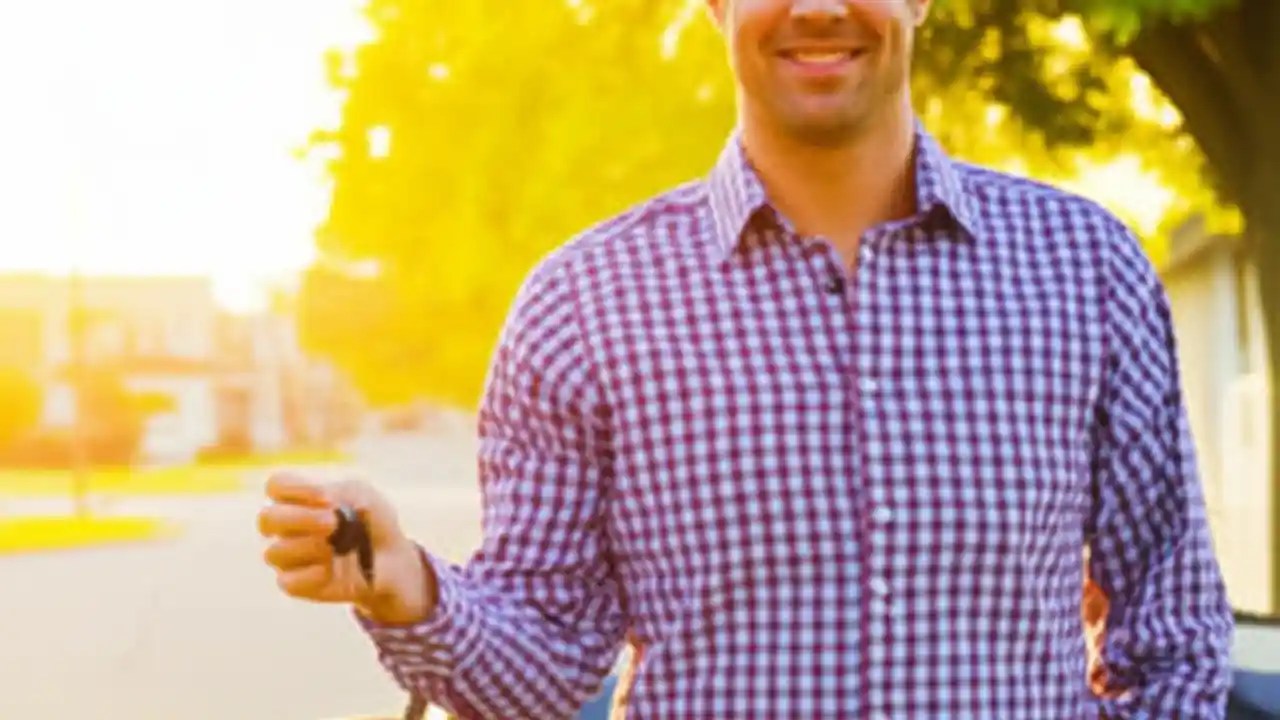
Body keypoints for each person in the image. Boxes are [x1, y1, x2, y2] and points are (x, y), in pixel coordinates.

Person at [257, 0, 1236, 717]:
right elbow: (547, 671)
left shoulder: (1085, 271)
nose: (817, 10)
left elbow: (1173, 642)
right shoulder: (583, 304)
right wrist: (404, 584)